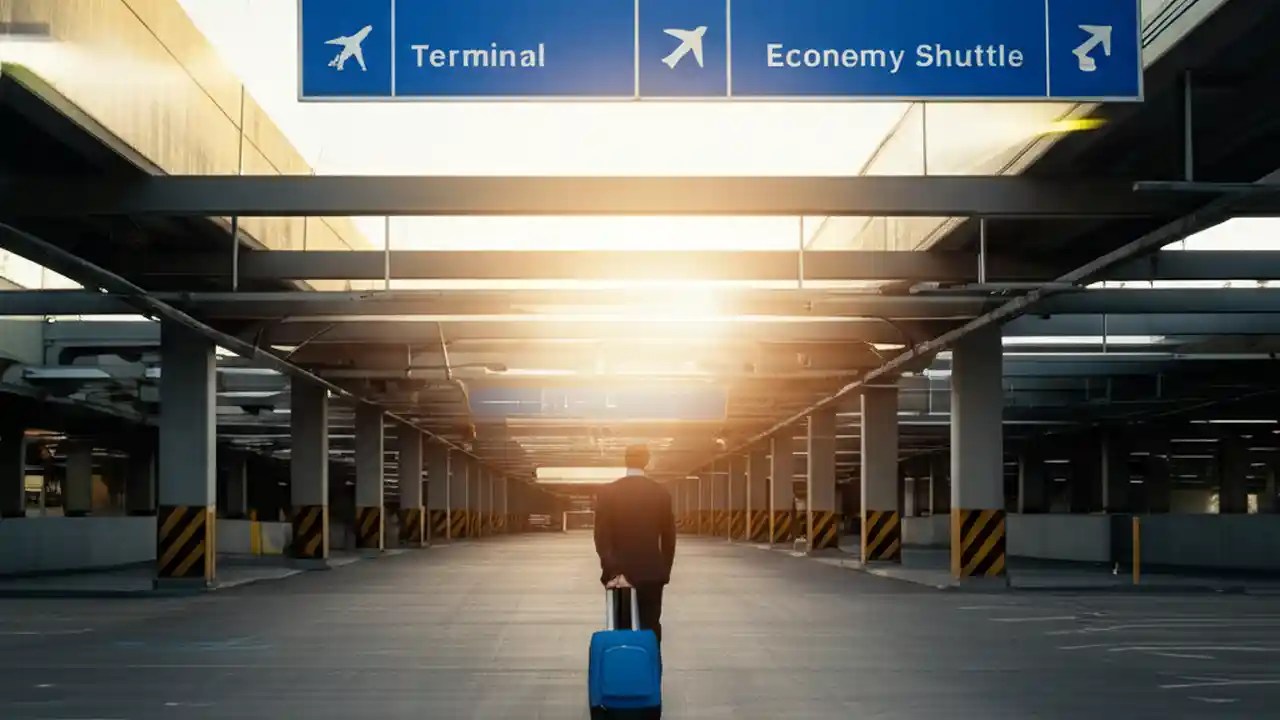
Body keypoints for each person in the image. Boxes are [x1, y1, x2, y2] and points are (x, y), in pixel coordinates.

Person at [593, 444, 677, 643]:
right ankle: (650, 669)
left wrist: (613, 571)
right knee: (651, 626)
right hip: (651, 574)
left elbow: (601, 537)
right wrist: (664, 571)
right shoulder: (661, 493)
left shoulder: (608, 493)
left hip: (619, 576)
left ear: (625, 461)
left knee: (621, 629)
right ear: (647, 462)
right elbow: (668, 538)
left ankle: (623, 670)